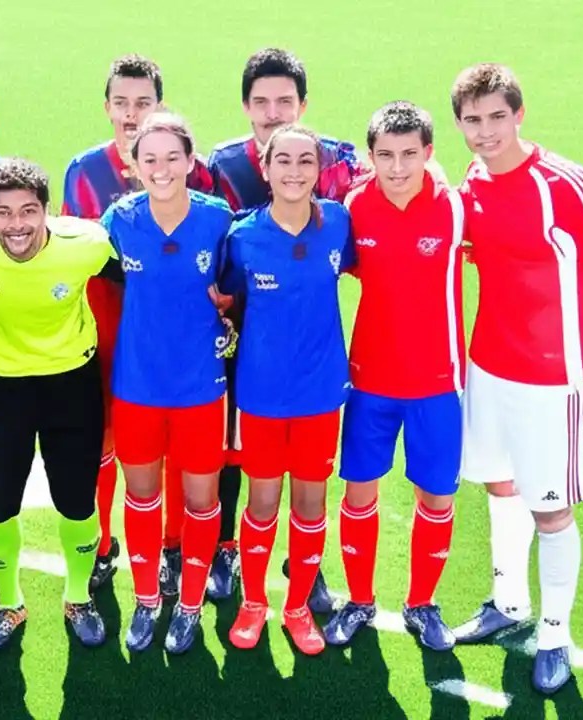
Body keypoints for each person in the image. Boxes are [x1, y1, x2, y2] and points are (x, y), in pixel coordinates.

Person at [447, 64, 583, 695]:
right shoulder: (471, 179)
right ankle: (509, 604)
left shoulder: (568, 185)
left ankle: (554, 634)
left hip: (555, 380)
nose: (486, 131)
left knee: (551, 510)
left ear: (519, 115)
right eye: (473, 120)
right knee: (500, 486)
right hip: (487, 367)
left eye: (497, 116)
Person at [205, 47, 371, 606]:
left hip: (308, 349)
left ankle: (304, 571)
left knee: (306, 482)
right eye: (261, 102)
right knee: (236, 452)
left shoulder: (337, 162)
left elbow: (386, 174)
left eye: (285, 101)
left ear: (303, 105)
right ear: (246, 106)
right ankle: (229, 549)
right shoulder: (220, 165)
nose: (273, 111)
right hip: (244, 343)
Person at [62, 54, 214, 595]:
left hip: (173, 342)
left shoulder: (186, 175)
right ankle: (103, 545)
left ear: (160, 108)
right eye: (121, 103)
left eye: (143, 103)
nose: (131, 114)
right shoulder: (84, 172)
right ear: (107, 108)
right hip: (104, 335)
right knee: (105, 443)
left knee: (175, 449)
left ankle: (172, 546)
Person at [0, 159, 118, 651]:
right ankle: (8, 602)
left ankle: (77, 596)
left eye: (29, 211)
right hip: (2, 386)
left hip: (72, 384)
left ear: (48, 211)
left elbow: (148, 278)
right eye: (2, 213)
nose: (17, 225)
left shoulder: (86, 245)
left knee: (76, 501)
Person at [322, 102, 464, 652]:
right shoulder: (355, 208)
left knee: (437, 498)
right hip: (370, 382)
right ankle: (360, 600)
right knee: (360, 494)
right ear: (371, 157)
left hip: (438, 384)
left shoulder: (456, 209)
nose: (398, 167)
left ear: (429, 152)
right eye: (386, 155)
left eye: (410, 154)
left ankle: (422, 604)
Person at [100, 114, 233, 654]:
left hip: (201, 388)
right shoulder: (118, 220)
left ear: (190, 161)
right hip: (136, 389)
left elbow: (240, 290)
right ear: (133, 166)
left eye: (171, 157)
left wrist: (230, 317)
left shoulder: (219, 220)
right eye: (149, 159)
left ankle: (191, 604)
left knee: (201, 500)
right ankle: (147, 598)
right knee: (142, 496)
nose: (161, 169)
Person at [220, 125, 353, 656]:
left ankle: (298, 607)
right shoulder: (241, 235)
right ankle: (255, 602)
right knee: (263, 499)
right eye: (284, 162)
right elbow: (224, 294)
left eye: (306, 161)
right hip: (262, 392)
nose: (295, 171)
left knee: (310, 501)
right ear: (266, 170)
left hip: (320, 392)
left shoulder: (339, 223)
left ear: (319, 170)